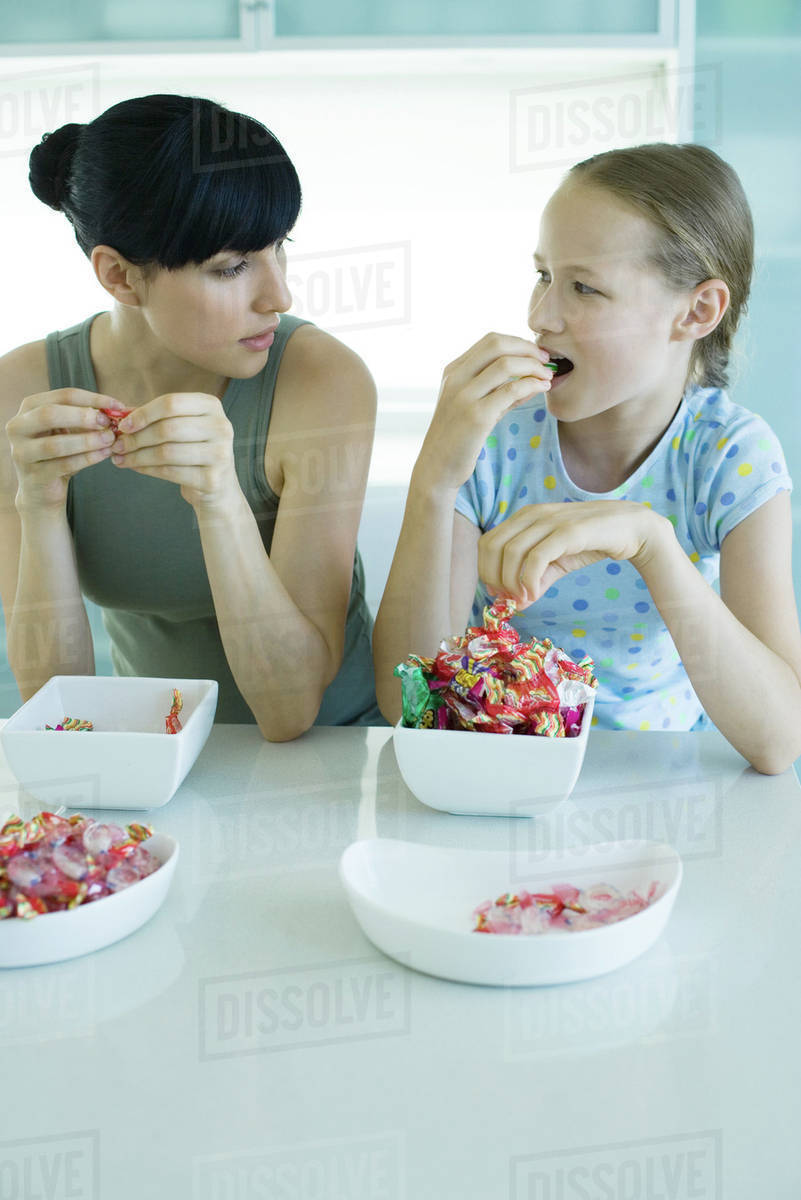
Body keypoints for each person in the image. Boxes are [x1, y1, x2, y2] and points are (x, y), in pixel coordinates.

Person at [374, 143, 801, 774]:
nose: (540, 317)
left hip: (661, 782)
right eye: (544, 274)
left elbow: (779, 740)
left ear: (697, 311)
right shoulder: (491, 441)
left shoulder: (729, 455)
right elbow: (403, 703)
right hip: (499, 773)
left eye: (584, 287)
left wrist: (652, 544)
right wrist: (434, 478)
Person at [0, 94, 384, 738]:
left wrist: (219, 498)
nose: (279, 295)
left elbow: (289, 711)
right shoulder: (24, 394)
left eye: (279, 248)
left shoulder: (324, 381)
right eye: (231, 267)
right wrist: (35, 504)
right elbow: (58, 710)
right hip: (155, 757)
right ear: (120, 277)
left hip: (336, 753)